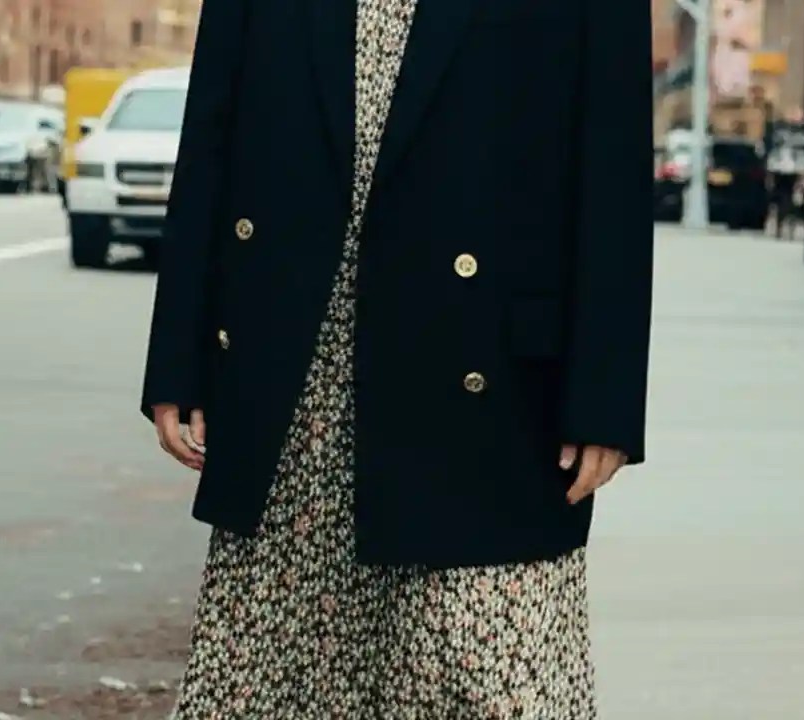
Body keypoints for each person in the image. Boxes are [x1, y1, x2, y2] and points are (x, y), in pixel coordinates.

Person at [142, 0, 653, 716]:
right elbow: (211, 139)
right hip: (302, 367)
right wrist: (178, 357)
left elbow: (614, 163)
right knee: (284, 680)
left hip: (488, 373)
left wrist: (605, 394)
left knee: (488, 681)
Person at [765, 105, 804, 239]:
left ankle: (789, 223)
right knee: (782, 197)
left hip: (795, 168)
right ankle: (782, 224)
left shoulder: (802, 135)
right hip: (781, 168)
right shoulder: (780, 133)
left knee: (794, 198)